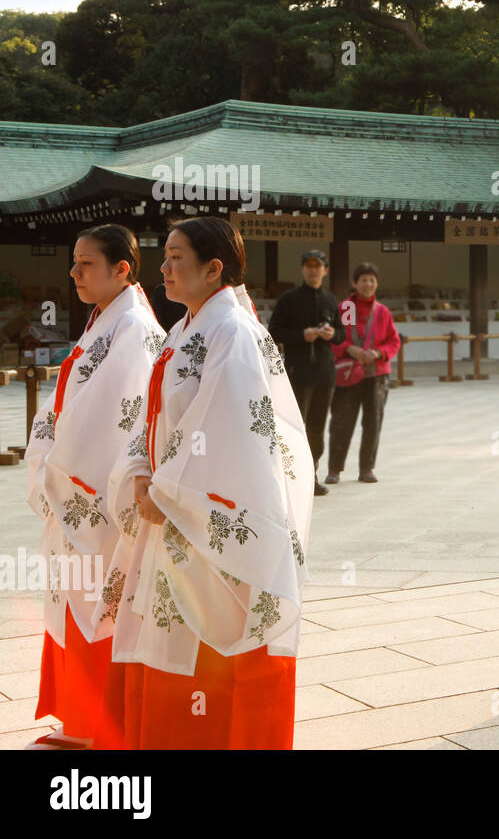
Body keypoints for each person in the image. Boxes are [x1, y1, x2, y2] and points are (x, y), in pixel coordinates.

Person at [98, 217, 311, 749]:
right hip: (171, 507)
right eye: (164, 257)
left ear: (214, 269)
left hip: (201, 515)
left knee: (209, 657)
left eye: (175, 258)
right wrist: (142, 474)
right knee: (171, 644)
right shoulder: (185, 328)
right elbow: (154, 417)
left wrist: (164, 490)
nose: (163, 269)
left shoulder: (233, 332)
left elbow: (228, 430)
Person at [25, 225, 165, 749]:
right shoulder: (108, 321)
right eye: (74, 262)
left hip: (100, 491)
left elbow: (114, 418)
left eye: (86, 263)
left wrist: (59, 465)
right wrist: (48, 450)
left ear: (122, 269)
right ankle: (80, 719)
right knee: (80, 600)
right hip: (80, 479)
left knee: (98, 602)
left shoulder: (134, 329)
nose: (75, 272)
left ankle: (98, 724)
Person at [269, 250, 344, 496]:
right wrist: (302, 335)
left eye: (318, 266)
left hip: (324, 372)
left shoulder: (331, 300)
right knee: (295, 426)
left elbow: (343, 333)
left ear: (325, 270)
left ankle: (311, 475)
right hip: (297, 371)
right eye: (309, 266)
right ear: (303, 269)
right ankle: (293, 477)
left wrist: (332, 334)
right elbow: (274, 331)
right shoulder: (289, 299)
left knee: (317, 427)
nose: (313, 270)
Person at [326, 263, 401, 484]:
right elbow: (336, 337)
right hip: (348, 375)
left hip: (376, 375)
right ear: (355, 283)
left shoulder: (382, 312)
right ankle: (334, 469)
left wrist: (378, 353)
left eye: (372, 280)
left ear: (376, 284)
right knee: (341, 422)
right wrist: (350, 349)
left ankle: (367, 468)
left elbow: (393, 341)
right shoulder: (346, 309)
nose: (368, 284)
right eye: (363, 280)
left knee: (373, 422)